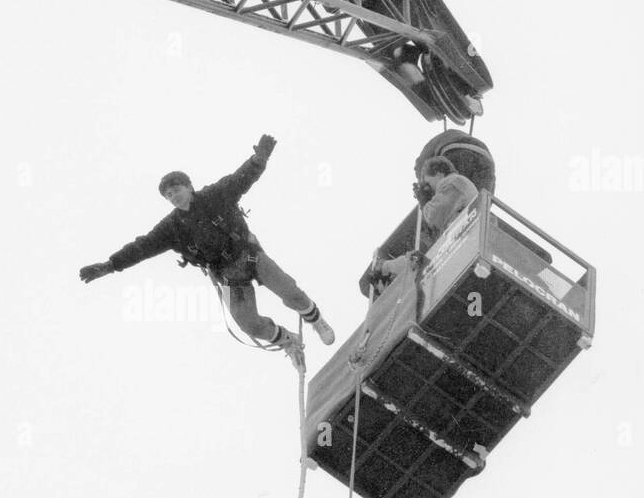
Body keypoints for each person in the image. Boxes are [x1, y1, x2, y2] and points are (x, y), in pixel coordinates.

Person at [79, 135, 334, 369]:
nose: (173, 197)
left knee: (290, 291)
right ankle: (287, 340)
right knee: (248, 324)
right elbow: (142, 247)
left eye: (176, 190)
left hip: (249, 256)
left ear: (189, 186)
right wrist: (110, 265)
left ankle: (316, 319)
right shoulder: (171, 228)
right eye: (168, 195)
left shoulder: (216, 195)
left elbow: (241, 178)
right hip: (228, 276)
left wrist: (259, 159)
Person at [377, 157, 478, 283]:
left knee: (418, 265)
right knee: (416, 260)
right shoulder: (456, 186)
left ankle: (384, 269)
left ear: (439, 174)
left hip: (462, 242)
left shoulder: (452, 182)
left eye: (426, 181)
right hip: (462, 238)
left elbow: (434, 216)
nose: (427, 188)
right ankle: (387, 268)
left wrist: (424, 202)